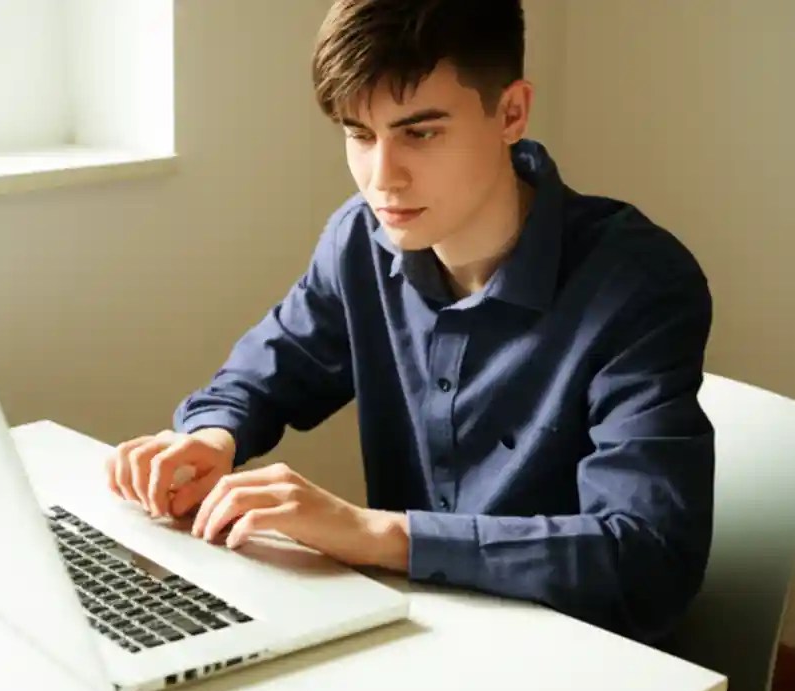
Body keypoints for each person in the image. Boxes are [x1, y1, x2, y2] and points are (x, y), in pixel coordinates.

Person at [103, 0, 714, 646]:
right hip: (413, 640)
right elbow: (267, 371)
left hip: (575, 665)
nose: (382, 179)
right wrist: (212, 436)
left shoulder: (641, 284)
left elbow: (648, 558)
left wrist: (376, 534)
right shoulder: (359, 241)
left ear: (511, 113)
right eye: (360, 135)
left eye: (420, 133)